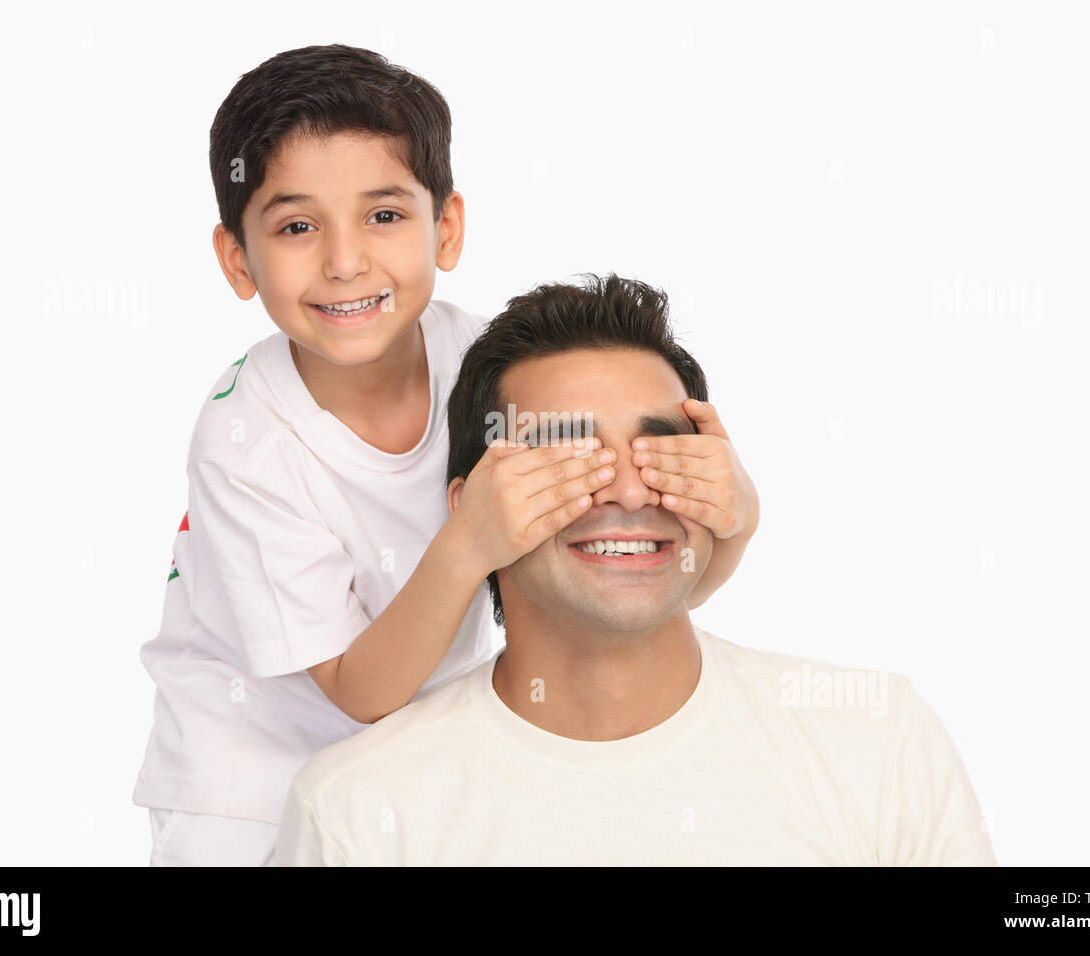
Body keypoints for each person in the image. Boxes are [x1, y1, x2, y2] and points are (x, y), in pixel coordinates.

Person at [133, 48, 759, 866]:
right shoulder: (244, 442)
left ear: (448, 228)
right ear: (237, 260)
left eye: (384, 216)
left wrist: (733, 521)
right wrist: (470, 542)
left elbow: (632, 578)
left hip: (425, 745)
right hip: (245, 781)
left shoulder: (484, 363)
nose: (345, 261)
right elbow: (358, 691)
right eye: (296, 226)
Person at [276, 274, 996, 866]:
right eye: (566, 457)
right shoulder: (357, 817)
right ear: (470, 508)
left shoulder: (877, 740)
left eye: (664, 453)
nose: (627, 490)